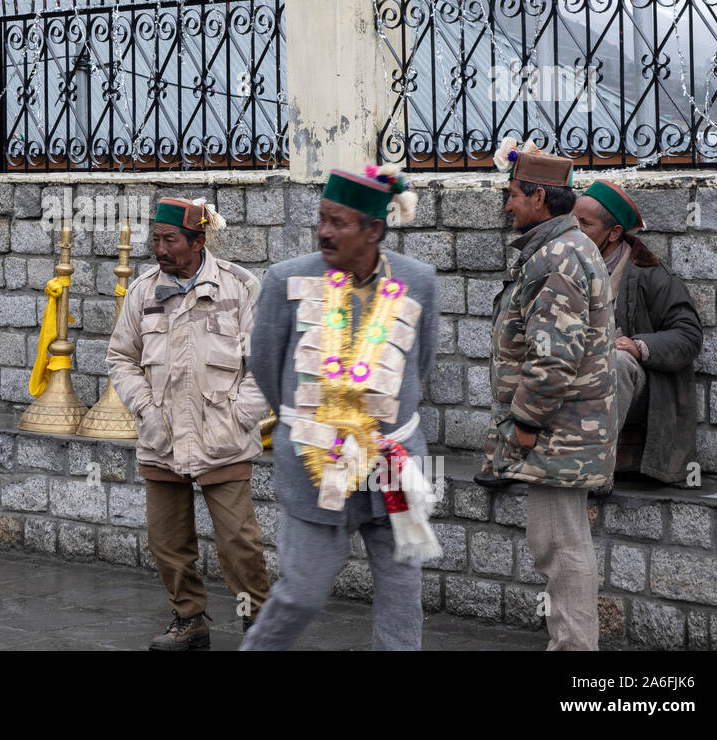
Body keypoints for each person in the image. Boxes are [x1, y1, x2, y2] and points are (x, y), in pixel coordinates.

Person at [242, 165, 441, 651]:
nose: (324, 232)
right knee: (301, 595)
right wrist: (313, 423)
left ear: (373, 230)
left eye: (338, 221)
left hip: (393, 463)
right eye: (322, 219)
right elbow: (266, 365)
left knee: (402, 598)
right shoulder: (286, 280)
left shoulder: (419, 280)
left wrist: (382, 425)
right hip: (315, 464)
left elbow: (422, 363)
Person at [106, 196, 272, 650]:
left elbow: (265, 363)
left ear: (199, 241)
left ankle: (258, 623)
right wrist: (143, 407)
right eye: (155, 239)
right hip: (161, 438)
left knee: (239, 544)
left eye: (170, 239)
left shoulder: (239, 287)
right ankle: (189, 619)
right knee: (167, 542)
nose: (159, 248)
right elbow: (121, 357)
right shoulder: (143, 290)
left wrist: (241, 413)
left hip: (224, 438)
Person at [480, 138, 617, 651]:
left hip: (559, 432)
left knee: (560, 548)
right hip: (565, 431)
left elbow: (553, 357)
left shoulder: (557, 258)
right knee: (560, 545)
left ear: (539, 198)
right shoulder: (564, 249)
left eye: (513, 193)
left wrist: (526, 425)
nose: (507, 203)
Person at [574, 180, 703, 485]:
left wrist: (637, 345)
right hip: (575, 375)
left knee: (616, 362)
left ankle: (593, 473)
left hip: (635, 388)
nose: (575, 230)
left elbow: (689, 335)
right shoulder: (564, 266)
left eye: (585, 224)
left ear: (614, 233)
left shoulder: (652, 275)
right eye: (572, 221)